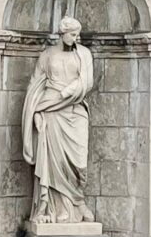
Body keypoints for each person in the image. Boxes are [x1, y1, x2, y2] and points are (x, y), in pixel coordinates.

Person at [22, 14, 97, 222]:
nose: (76, 38)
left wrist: (66, 93)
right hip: (50, 110)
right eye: (72, 34)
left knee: (79, 161)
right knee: (53, 161)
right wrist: (36, 112)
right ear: (62, 34)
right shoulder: (47, 55)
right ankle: (54, 209)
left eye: (77, 34)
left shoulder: (84, 54)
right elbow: (35, 86)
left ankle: (78, 201)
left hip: (74, 108)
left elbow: (87, 82)